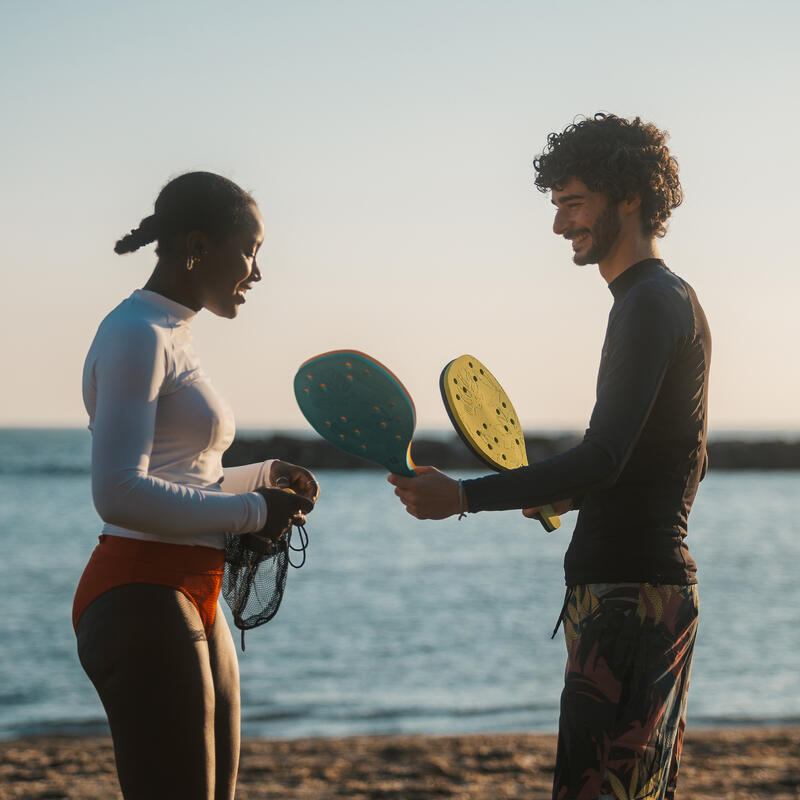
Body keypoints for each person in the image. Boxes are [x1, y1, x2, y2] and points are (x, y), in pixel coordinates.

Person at [388, 114, 710, 800]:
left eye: (572, 203)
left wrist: (464, 498)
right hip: (645, 598)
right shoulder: (667, 299)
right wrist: (572, 495)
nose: (560, 226)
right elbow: (678, 459)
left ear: (628, 195)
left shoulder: (648, 303)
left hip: (627, 602)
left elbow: (604, 454)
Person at [72, 171, 319, 800]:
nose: (257, 271)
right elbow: (119, 493)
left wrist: (263, 480)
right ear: (200, 246)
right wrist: (251, 510)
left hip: (192, 590)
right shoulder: (135, 333)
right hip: (139, 590)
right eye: (252, 250)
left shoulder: (172, 332)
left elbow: (182, 476)